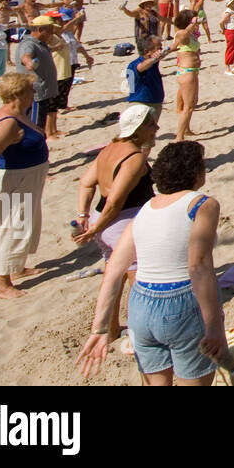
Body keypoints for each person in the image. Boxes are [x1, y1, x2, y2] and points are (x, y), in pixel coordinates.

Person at [77, 141, 227, 385]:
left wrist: (100, 328)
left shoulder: (145, 208)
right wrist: (214, 326)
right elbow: (199, 265)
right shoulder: (203, 204)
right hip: (182, 301)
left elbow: (114, 270)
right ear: (197, 173)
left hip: (141, 307)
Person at [73, 105, 159, 340]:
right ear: (138, 129)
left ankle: (110, 330)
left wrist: (85, 216)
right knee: (137, 281)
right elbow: (115, 201)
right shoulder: (133, 159)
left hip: (106, 223)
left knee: (113, 275)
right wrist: (94, 229)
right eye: (151, 125)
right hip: (123, 223)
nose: (157, 128)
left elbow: (86, 182)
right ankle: (139, 335)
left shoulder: (110, 149)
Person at [0, 72, 50, 299]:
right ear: (18, 93)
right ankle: (3, 284)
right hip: (15, 179)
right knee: (12, 228)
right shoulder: (8, 122)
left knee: (25, 223)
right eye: (30, 89)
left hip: (28, 176)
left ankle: (17, 269)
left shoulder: (21, 113)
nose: (34, 93)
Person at [17, 15, 59, 135]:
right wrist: (29, 63)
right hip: (35, 94)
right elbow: (26, 55)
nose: (52, 32)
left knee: (40, 124)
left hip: (43, 93)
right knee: (36, 126)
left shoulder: (40, 43)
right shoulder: (28, 44)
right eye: (50, 29)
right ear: (40, 29)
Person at [172, 10, 202, 141]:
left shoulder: (191, 35)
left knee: (193, 103)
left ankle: (187, 129)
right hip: (186, 71)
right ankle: (179, 137)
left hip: (194, 70)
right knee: (188, 107)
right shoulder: (181, 34)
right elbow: (183, 34)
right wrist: (192, 24)